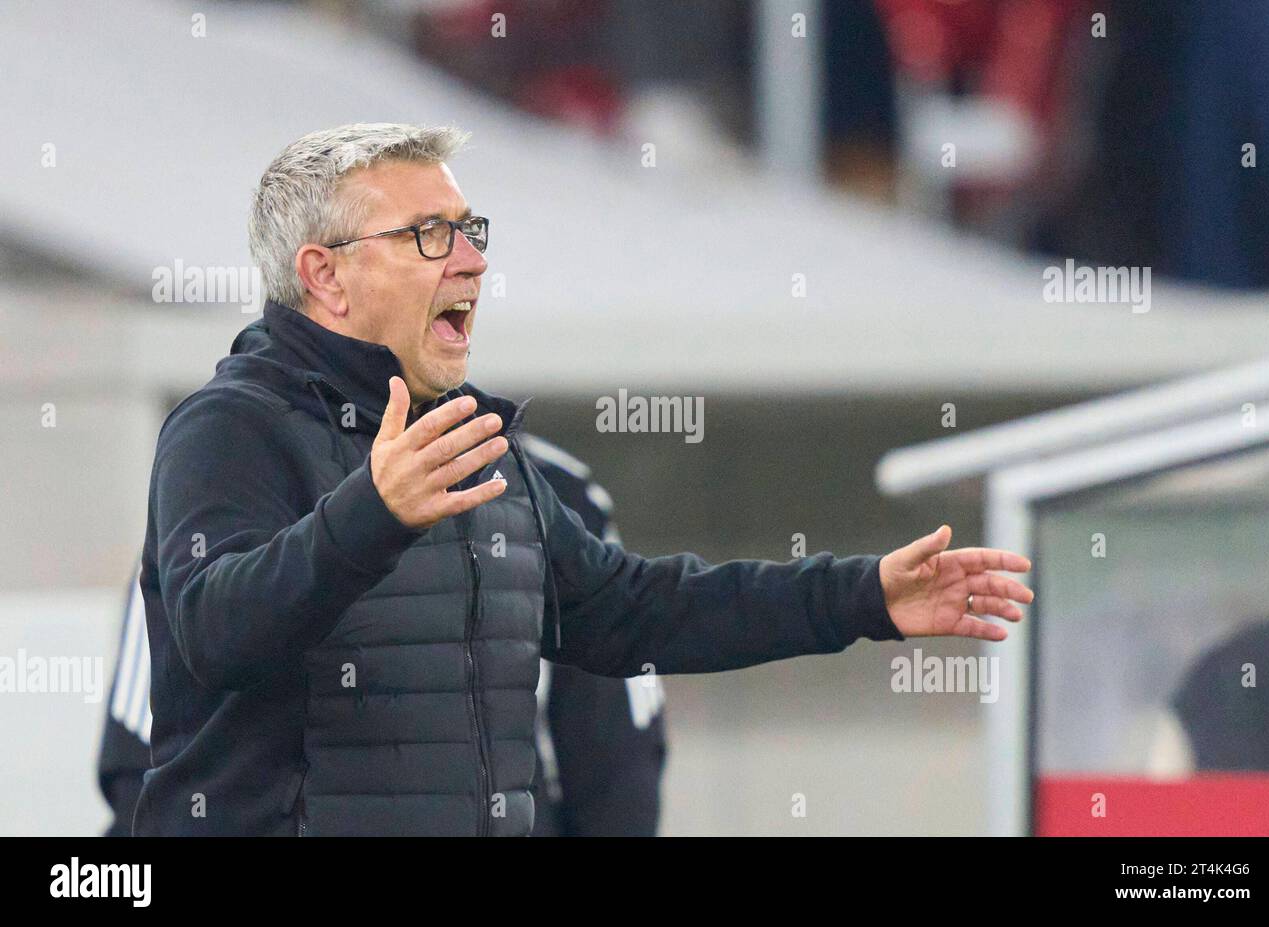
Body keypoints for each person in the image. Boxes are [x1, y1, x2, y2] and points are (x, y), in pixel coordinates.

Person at [135, 123, 1034, 836]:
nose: (473, 261)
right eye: (429, 235)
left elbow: (634, 609)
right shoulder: (228, 427)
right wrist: (370, 512)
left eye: (472, 231)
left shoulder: (477, 444)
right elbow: (217, 632)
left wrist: (863, 596)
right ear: (324, 274)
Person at [100, 434, 666, 837]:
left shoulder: (550, 491)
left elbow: (617, 773)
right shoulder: (218, 480)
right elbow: (143, 773)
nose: (462, 268)